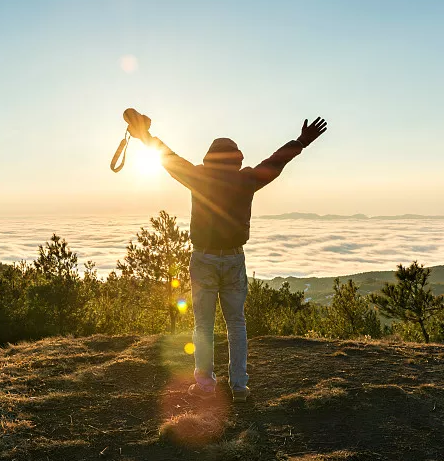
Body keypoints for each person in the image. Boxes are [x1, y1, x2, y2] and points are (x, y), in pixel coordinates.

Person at [126, 111, 327, 402]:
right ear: (238, 159)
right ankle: (240, 387)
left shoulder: (197, 176)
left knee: (203, 325)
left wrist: (144, 135)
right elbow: (275, 162)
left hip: (203, 258)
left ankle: (206, 386)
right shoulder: (246, 180)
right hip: (234, 259)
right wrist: (300, 142)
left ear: (209, 159)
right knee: (237, 324)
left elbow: (168, 158)